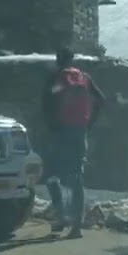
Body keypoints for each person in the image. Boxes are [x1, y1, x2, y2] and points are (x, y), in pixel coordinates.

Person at [41, 47, 106, 238]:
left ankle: (61, 216)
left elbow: (46, 105)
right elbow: (101, 100)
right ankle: (76, 227)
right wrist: (88, 123)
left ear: (57, 59)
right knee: (76, 178)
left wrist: (52, 127)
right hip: (79, 132)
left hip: (59, 133)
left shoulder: (55, 78)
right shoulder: (84, 77)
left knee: (51, 175)